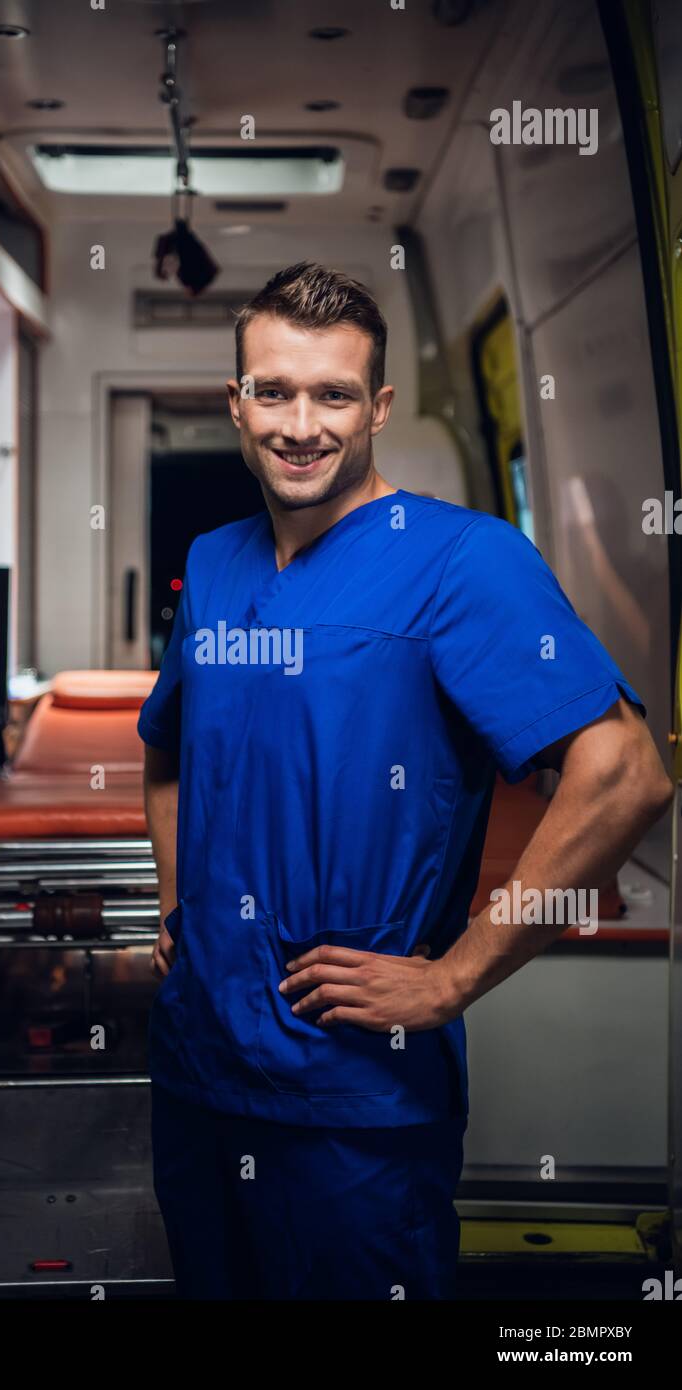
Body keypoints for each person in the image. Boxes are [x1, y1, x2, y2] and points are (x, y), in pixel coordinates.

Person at [138, 262, 673, 1300]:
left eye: (332, 394)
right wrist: (174, 899)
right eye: (274, 391)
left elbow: (624, 775)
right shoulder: (214, 562)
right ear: (236, 402)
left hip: (350, 1101)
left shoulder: (463, 560)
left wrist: (450, 976)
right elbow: (166, 745)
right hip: (195, 1074)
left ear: (377, 406)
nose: (300, 424)